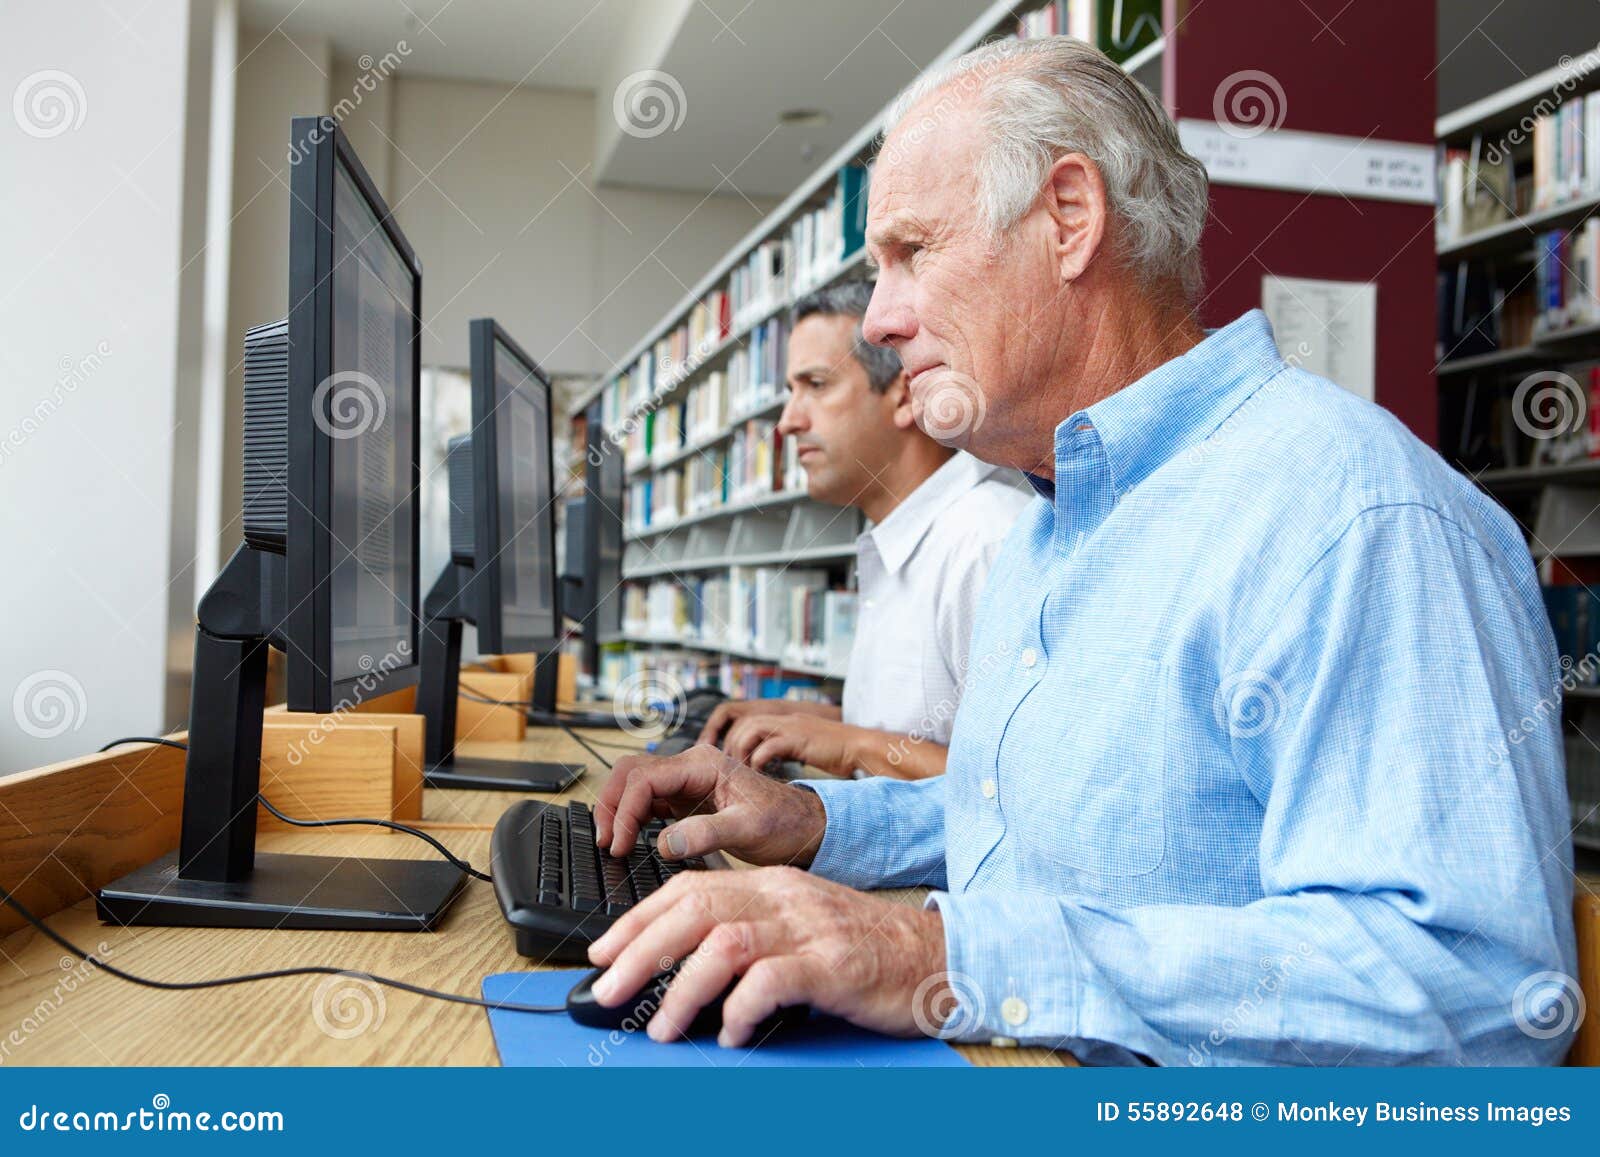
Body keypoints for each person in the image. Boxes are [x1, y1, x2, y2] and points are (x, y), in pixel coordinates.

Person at [586, 36, 1578, 1065]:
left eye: (911, 252)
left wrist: (934, 951)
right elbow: (1047, 826)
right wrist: (817, 822)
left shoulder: (1356, 517)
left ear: (1068, 218)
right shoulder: (1055, 516)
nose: (880, 320)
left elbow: (1482, 995)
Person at [698, 280, 1031, 780]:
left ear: (903, 393)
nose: (786, 422)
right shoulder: (899, 539)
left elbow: (1011, 784)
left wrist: (850, 745)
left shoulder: (985, 542)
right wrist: (808, 724)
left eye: (816, 384)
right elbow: (925, 734)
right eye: (791, 392)